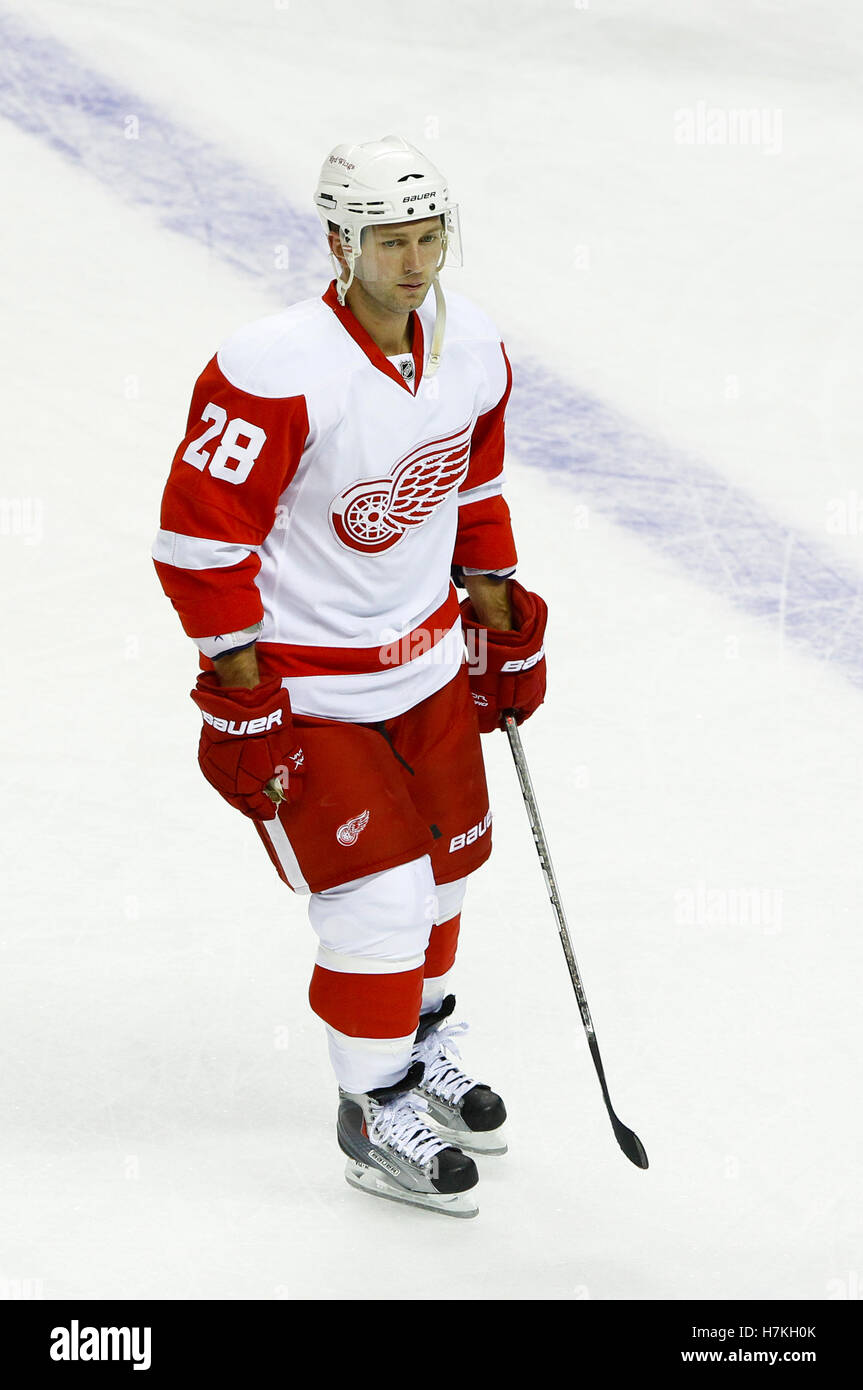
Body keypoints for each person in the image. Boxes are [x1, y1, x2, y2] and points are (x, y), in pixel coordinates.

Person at [152, 135, 548, 1218]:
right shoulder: (270, 366)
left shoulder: (472, 348)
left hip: (422, 668)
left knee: (448, 871)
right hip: (310, 687)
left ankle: (417, 1043)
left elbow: (473, 489)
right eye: (390, 241)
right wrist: (241, 699)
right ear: (338, 241)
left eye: (429, 237)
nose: (416, 261)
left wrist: (499, 617)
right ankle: (372, 1106)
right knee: (376, 901)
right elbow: (199, 541)